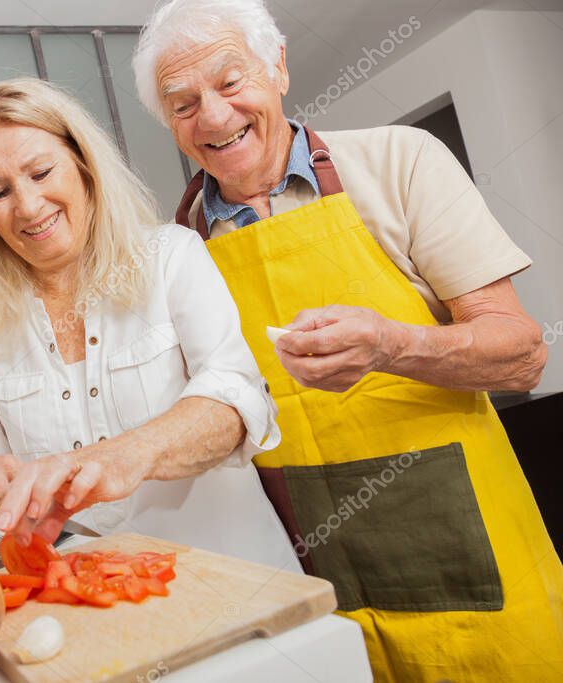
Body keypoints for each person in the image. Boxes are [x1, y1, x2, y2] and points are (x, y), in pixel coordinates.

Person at [130, 0, 563, 680]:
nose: (212, 116)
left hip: (468, 554)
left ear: (277, 67)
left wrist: (394, 346)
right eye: (182, 104)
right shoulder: (179, 253)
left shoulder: (399, 161)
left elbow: (521, 353)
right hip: (312, 579)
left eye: (230, 81)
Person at [0, 77, 299, 570]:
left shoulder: (170, 256)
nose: (29, 207)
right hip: (96, 600)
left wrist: (124, 456)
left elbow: (236, 400)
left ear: (83, 165)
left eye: (41, 172)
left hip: (236, 577)